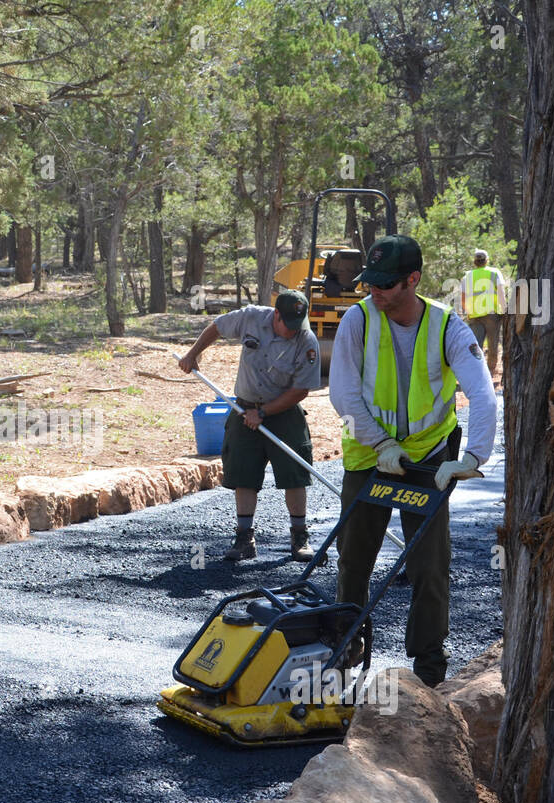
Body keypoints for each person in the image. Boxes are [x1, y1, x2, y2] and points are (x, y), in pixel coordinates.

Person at [329, 234, 497, 687]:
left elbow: (483, 395)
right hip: (369, 457)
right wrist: (382, 444)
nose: (374, 291)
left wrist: (473, 457)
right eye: (371, 283)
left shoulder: (448, 327)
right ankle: (348, 647)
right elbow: (342, 393)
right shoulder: (357, 321)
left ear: (413, 280)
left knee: (430, 568)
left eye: (385, 284)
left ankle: (428, 671)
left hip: (427, 462)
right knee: (353, 560)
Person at [178, 289, 322, 562]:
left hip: (284, 412)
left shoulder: (307, 341)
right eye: (287, 325)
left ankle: (299, 536)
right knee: (243, 473)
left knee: (295, 474)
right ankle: (244, 539)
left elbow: (301, 389)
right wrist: (193, 353)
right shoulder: (251, 318)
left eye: (297, 326)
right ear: (276, 314)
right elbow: (218, 326)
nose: (292, 331)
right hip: (243, 408)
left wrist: (264, 412)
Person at [459, 249, 507, 380]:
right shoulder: (494, 273)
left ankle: (477, 375)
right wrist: (504, 310)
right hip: (492, 315)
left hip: (474, 315)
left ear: (474, 262)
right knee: (493, 345)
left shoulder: (467, 276)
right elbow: (501, 293)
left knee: (476, 347)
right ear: (487, 260)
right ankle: (490, 374)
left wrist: (468, 311)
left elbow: (462, 298)